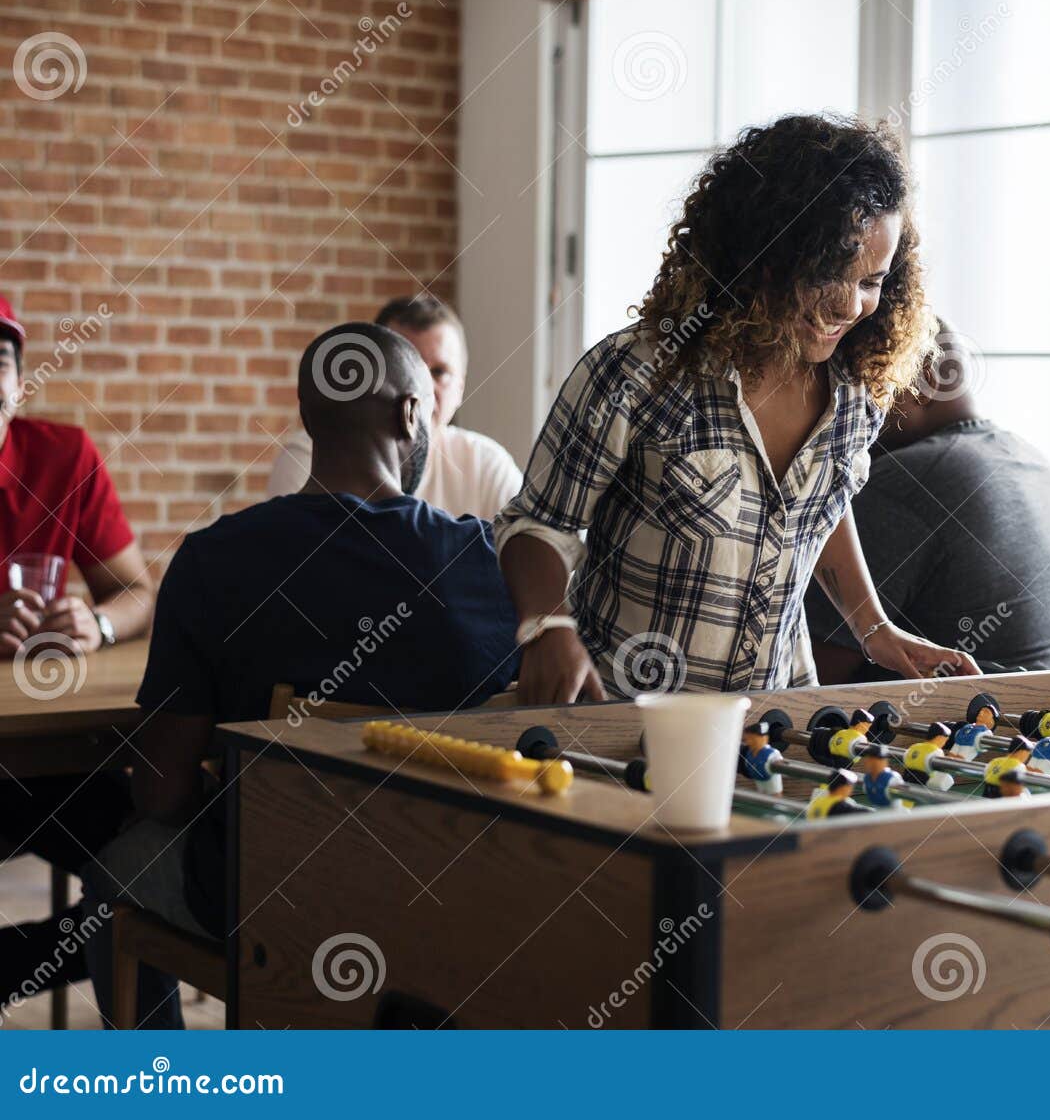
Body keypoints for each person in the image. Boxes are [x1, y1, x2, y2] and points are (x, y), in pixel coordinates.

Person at [82, 323, 518, 1027]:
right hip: (438, 900)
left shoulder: (211, 562)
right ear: (413, 414)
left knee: (113, 873)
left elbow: (160, 793)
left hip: (258, 891)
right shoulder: (479, 564)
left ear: (309, 418)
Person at [496, 116, 979, 702]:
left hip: (771, 721)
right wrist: (549, 626)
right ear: (761, 255)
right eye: (829, 272)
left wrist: (874, 629)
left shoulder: (855, 393)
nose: (851, 305)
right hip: (622, 719)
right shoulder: (639, 371)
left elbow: (816, 506)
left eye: (872, 280)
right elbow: (539, 524)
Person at [806, 321, 1050, 682]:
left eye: (858, 384)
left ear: (924, 378)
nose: (839, 412)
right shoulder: (1025, 456)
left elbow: (818, 677)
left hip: (968, 728)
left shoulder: (908, 480)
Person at [264, 295, 522, 520]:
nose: (424, 390)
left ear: (460, 389)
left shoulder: (488, 464)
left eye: (440, 372)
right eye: (409, 371)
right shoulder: (309, 458)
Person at [1, 292, 153, 656]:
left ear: (20, 387)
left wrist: (99, 624)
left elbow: (139, 595)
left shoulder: (65, 457)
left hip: (42, 697)